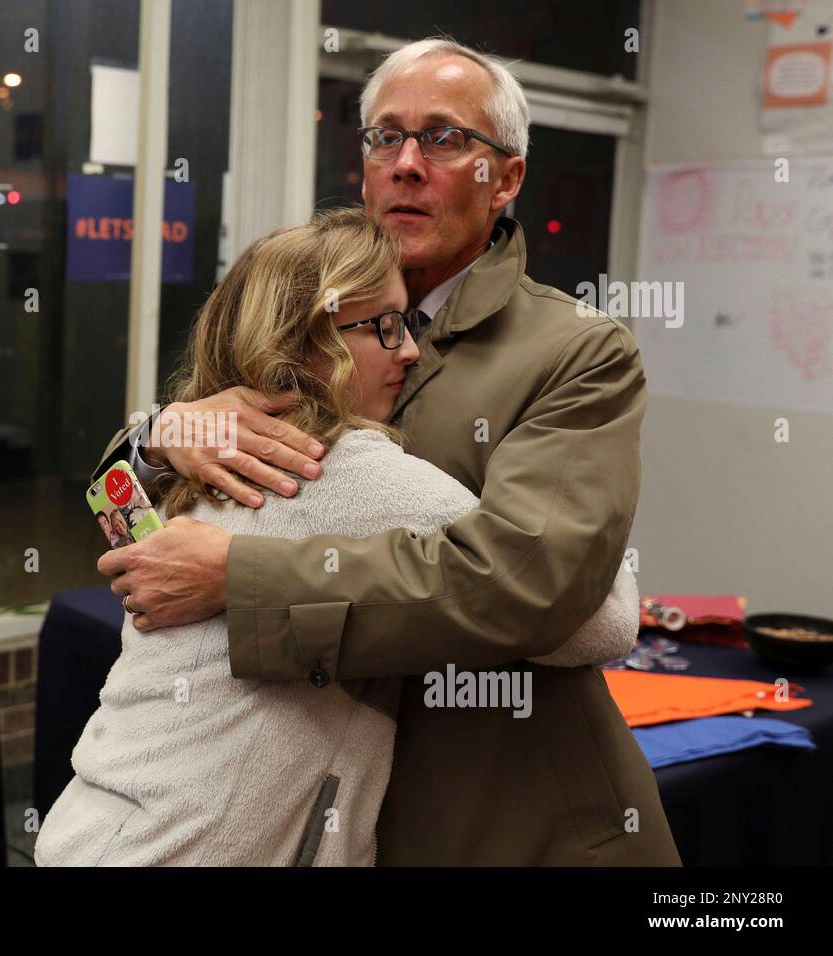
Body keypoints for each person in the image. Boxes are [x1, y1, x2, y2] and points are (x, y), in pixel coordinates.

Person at [92, 37, 681, 865]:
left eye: (444, 139)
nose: (406, 163)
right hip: (338, 808)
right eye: (384, 137)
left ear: (505, 178)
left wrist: (239, 578)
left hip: (510, 806)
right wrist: (164, 435)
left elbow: (535, 581)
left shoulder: (577, 351)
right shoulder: (311, 314)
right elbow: (122, 510)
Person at [35, 208, 640, 866]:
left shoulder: (205, 453)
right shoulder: (344, 472)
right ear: (299, 347)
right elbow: (606, 616)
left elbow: (123, 489)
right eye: (384, 327)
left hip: (94, 831)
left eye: (408, 321)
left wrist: (164, 435)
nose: (411, 350)